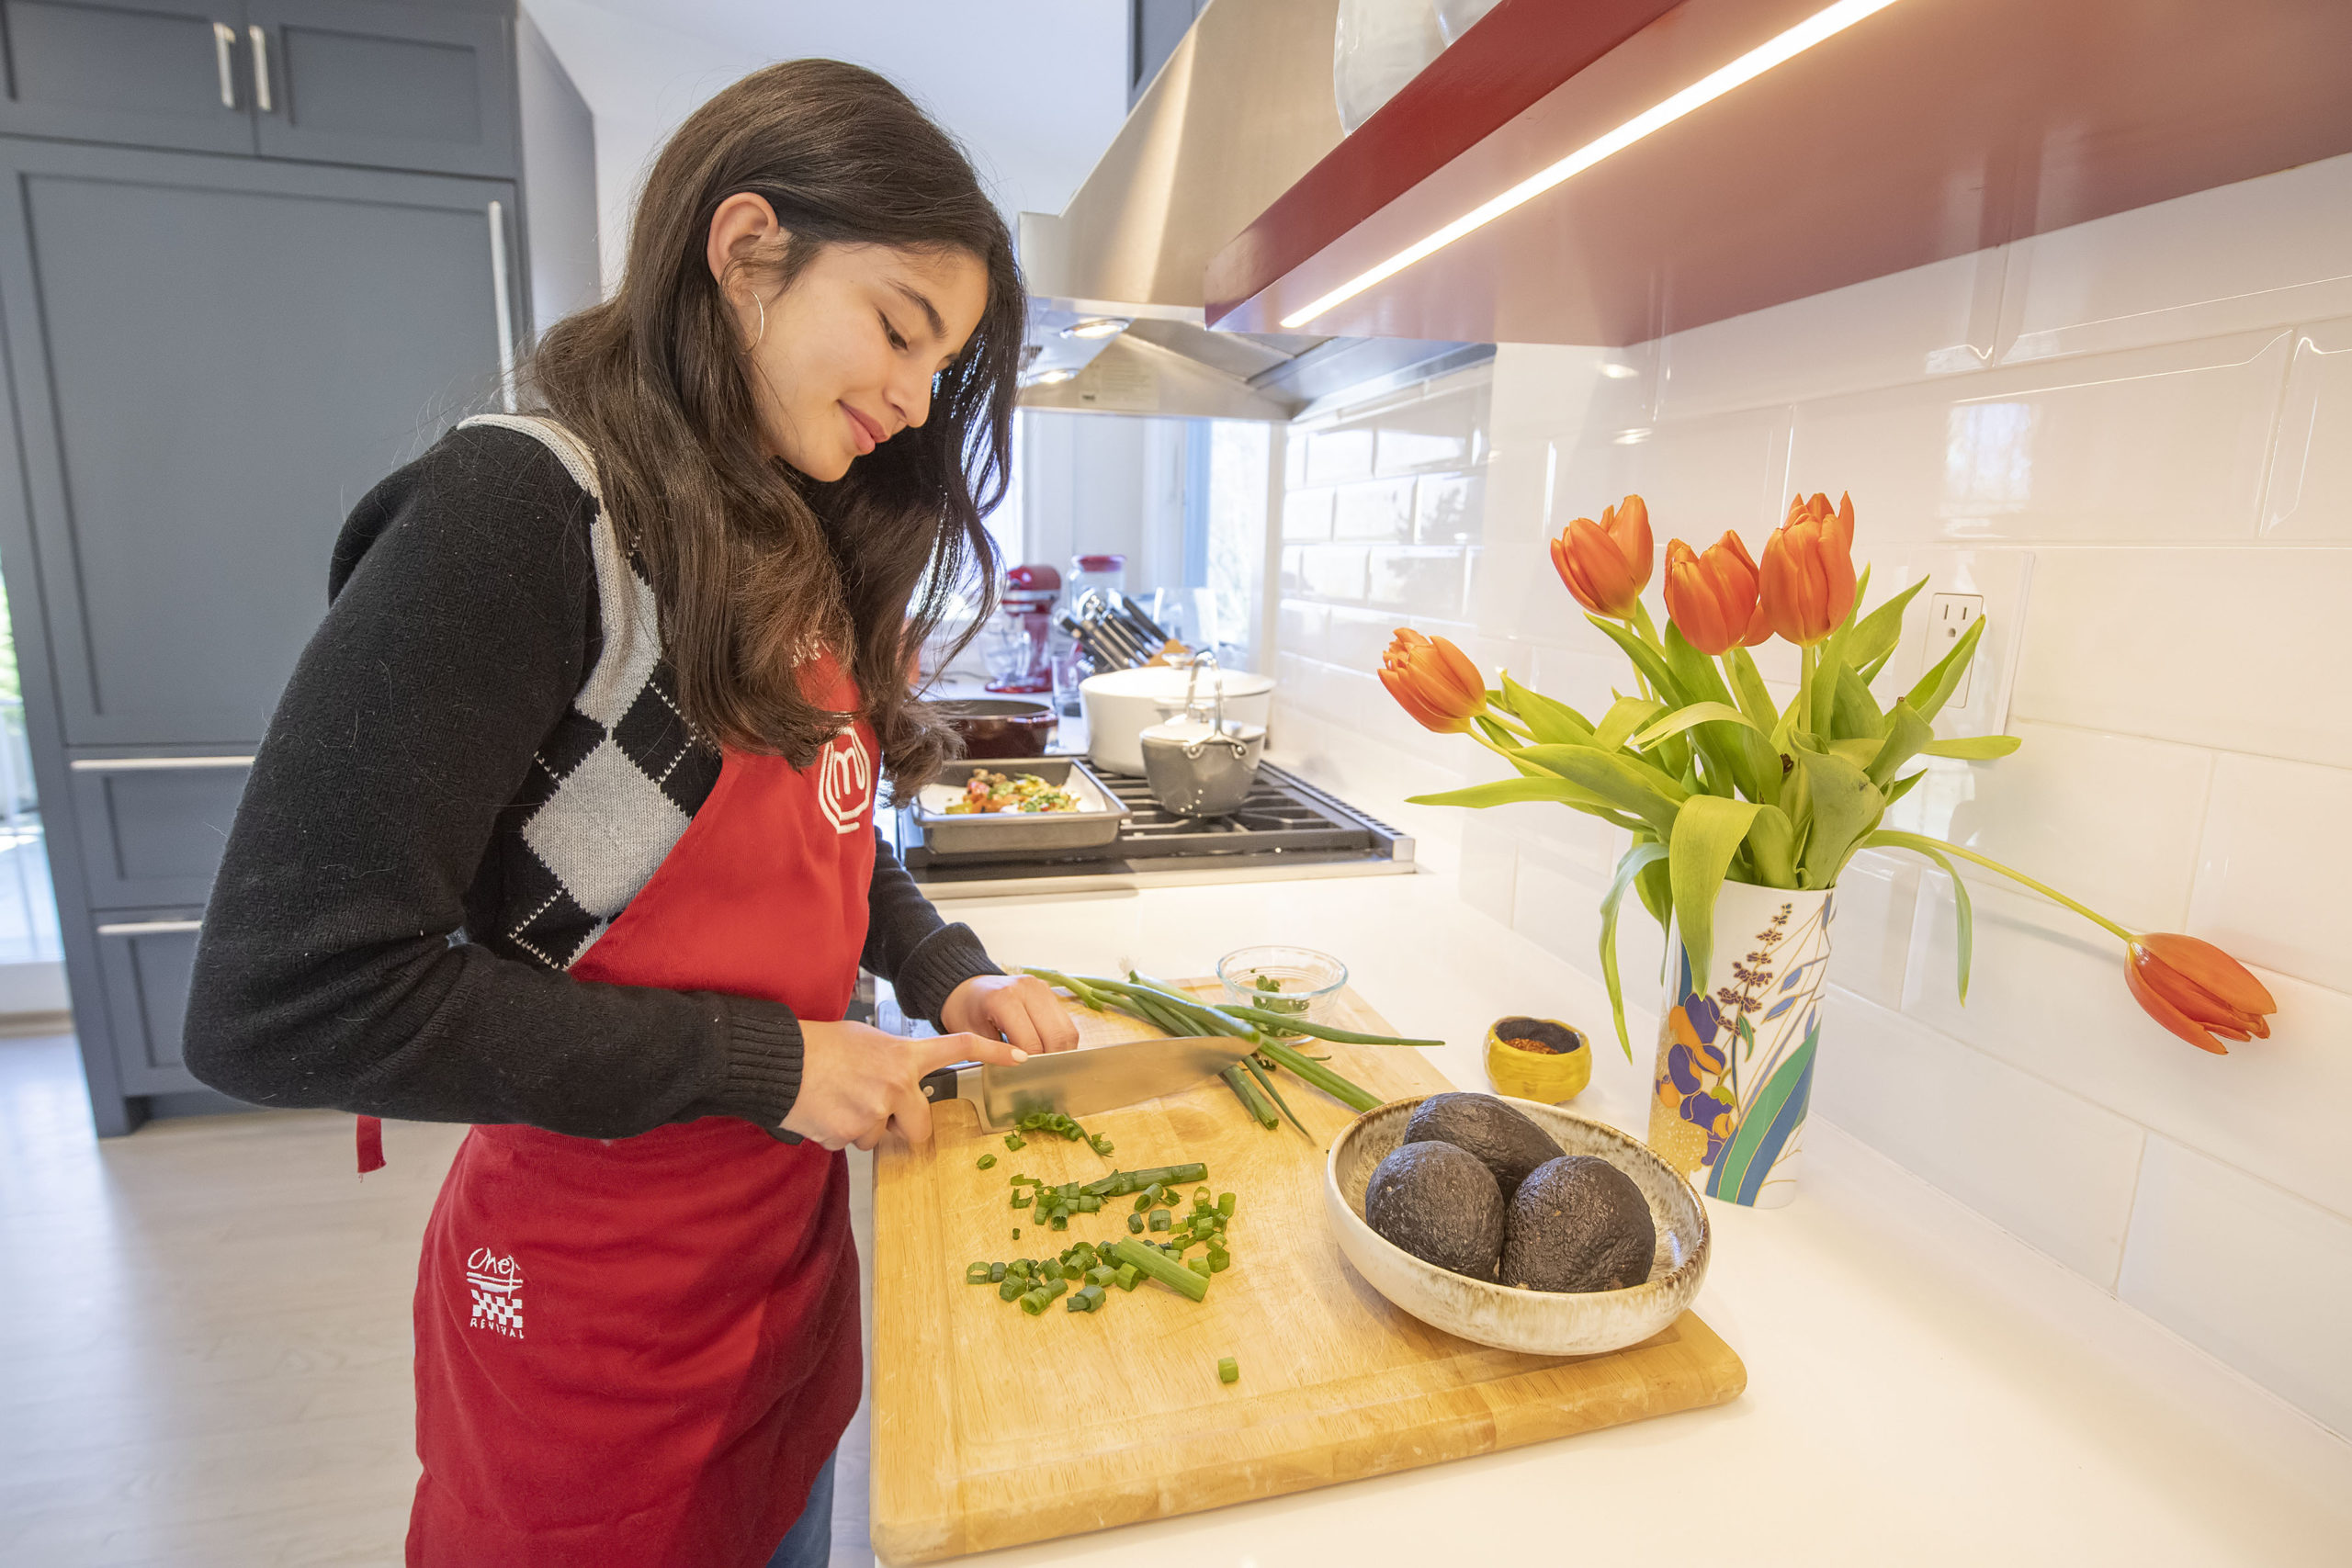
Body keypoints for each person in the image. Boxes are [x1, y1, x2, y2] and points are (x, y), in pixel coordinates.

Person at [182, 59, 1080, 1568]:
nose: (919, 402)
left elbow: (827, 837)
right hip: (589, 1337)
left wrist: (947, 971)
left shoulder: (786, 530)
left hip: (778, 1292)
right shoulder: (518, 521)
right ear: (746, 253)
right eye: (900, 333)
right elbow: (281, 1001)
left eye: (945, 369)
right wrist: (763, 1062)